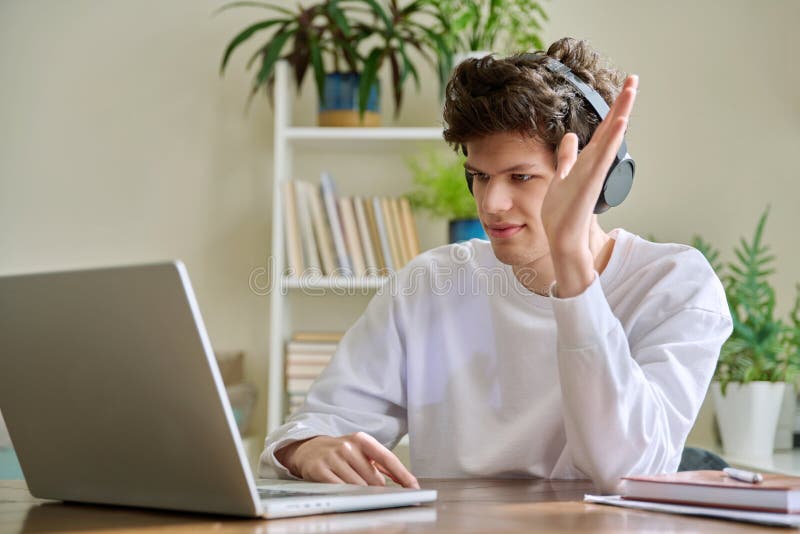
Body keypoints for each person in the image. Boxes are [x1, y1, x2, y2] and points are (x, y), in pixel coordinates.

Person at [258, 37, 733, 493]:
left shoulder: (674, 285)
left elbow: (628, 471)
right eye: (478, 177)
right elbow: (318, 424)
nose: (492, 203)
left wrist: (572, 265)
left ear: (601, 179)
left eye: (521, 177)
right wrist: (307, 448)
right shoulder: (432, 283)